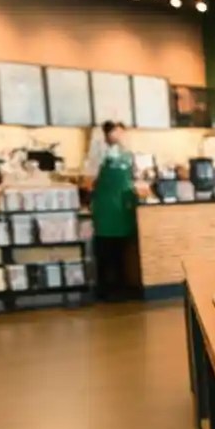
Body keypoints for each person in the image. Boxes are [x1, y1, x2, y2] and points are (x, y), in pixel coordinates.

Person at [89, 122, 137, 301]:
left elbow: (132, 178)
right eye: (117, 132)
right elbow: (89, 180)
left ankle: (121, 288)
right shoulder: (99, 154)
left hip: (123, 210)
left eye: (122, 133)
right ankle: (104, 290)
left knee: (121, 253)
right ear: (107, 135)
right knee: (104, 253)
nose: (120, 136)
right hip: (105, 209)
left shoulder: (126, 155)